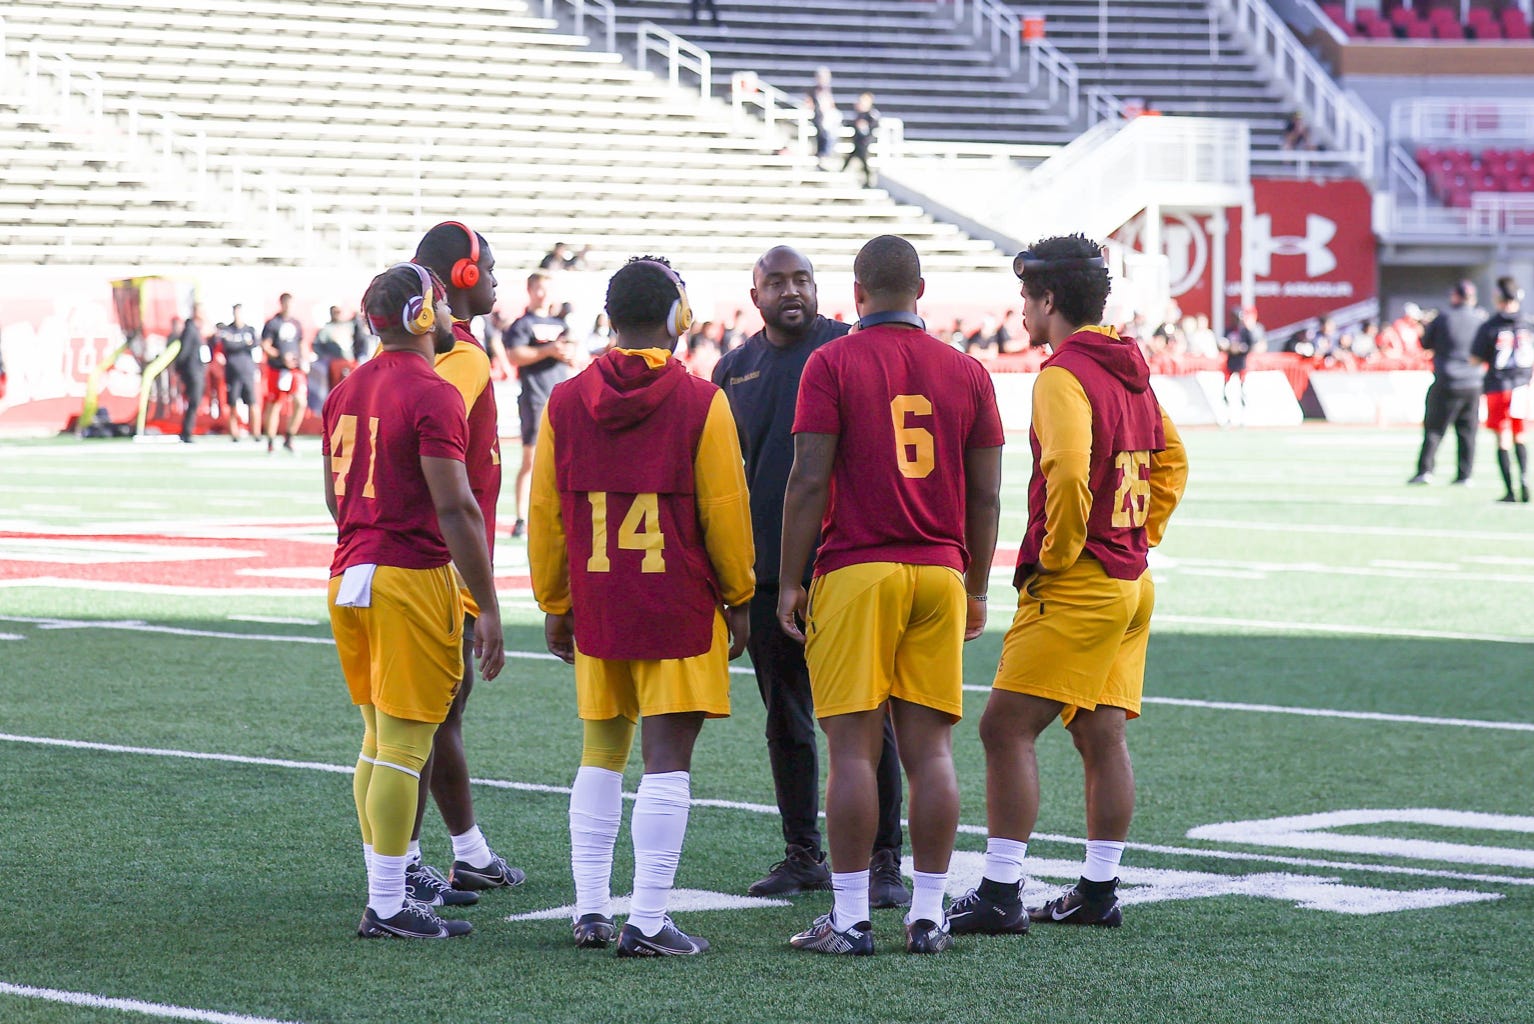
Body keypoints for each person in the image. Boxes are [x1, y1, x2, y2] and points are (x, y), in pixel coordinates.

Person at [948, 234, 1187, 939]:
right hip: (1131, 581)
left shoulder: (1062, 374)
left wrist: (1059, 551)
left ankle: (997, 890)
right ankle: (1098, 888)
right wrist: (1143, 534)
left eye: (1026, 296)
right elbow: (1172, 458)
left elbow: (1070, 471)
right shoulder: (1130, 364)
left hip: (1083, 581)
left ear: (1049, 299)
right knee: (1101, 734)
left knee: (1004, 728)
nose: (1021, 310)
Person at [778, 235, 1004, 956]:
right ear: (921, 290)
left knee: (850, 750)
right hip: (939, 572)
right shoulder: (967, 370)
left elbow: (809, 477)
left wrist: (789, 577)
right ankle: (929, 914)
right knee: (931, 753)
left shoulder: (832, 361)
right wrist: (974, 584)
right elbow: (989, 493)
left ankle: (848, 919)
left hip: (857, 568)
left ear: (856, 291)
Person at [529, 256, 755, 957]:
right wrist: (741, 594)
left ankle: (591, 909)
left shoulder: (564, 401)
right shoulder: (700, 400)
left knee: (600, 753)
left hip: (600, 597)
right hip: (675, 602)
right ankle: (649, 920)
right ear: (676, 319)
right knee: (666, 762)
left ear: (609, 317)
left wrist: (554, 599)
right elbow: (725, 508)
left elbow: (545, 513)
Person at [713, 245, 911, 909]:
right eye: (777, 282)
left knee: (866, 719)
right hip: (769, 571)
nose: (791, 291)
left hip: (844, 565)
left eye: (802, 279)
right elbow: (723, 480)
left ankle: (886, 858)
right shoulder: (733, 370)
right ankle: (803, 853)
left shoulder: (850, 348)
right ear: (755, 292)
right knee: (785, 721)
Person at [324, 262, 505, 940]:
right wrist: (486, 604)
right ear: (422, 317)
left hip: (350, 572)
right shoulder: (432, 391)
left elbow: (334, 499)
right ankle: (389, 903)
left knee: (377, 741)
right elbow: (455, 506)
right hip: (410, 575)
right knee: (402, 743)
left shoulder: (345, 389)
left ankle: (389, 890)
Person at [399, 221, 525, 906]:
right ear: (464, 275)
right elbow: (422, 439)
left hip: (423, 556)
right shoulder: (462, 356)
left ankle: (467, 850)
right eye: (492, 267)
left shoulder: (450, 352)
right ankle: (407, 859)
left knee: (441, 710)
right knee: (423, 714)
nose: (498, 280)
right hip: (434, 560)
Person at [503, 270, 577, 537]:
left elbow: (573, 355)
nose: (543, 294)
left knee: (565, 459)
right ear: (530, 290)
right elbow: (515, 355)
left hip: (560, 395)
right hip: (535, 396)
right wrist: (548, 350)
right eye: (538, 289)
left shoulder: (562, 324)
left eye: (547, 289)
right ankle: (522, 517)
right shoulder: (522, 324)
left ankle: (559, 512)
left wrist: (567, 354)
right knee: (531, 459)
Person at [1410, 280, 1488, 485]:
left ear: (1456, 296)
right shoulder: (1480, 319)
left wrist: (1424, 326)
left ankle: (1425, 471)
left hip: (1447, 380)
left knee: (1434, 429)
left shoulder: (1444, 317)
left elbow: (1425, 343)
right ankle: (1465, 475)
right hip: (1473, 382)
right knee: (1468, 432)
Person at [1470, 275, 1534, 502]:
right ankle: (1525, 480)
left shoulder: (1490, 326)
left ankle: (1510, 490)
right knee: (1520, 436)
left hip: (1499, 386)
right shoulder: (1528, 324)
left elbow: (1475, 359)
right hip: (1523, 387)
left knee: (1503, 438)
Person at [260, 293, 306, 453]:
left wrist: (303, 359)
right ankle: (271, 440)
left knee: (300, 402)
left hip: (295, 369)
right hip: (278, 369)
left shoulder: (296, 324)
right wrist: (280, 356)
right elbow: (265, 345)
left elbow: (301, 344)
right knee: (275, 404)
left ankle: (290, 435)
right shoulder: (273, 323)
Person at [217, 305, 261, 441]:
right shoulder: (227, 330)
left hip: (247, 371)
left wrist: (238, 343)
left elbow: (255, 344)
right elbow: (228, 345)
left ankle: (256, 433)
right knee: (232, 403)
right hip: (232, 372)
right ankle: (234, 433)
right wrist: (243, 343)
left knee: (252, 402)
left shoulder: (250, 329)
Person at [173, 304, 212, 444]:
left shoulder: (197, 329)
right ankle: (186, 431)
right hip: (192, 370)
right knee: (193, 400)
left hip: (197, 369)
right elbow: (184, 351)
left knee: (194, 401)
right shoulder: (190, 329)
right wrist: (180, 367)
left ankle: (187, 430)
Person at [1220, 305, 1264, 422]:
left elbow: (1252, 346)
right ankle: (1228, 416)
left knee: (1243, 390)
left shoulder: (1245, 331)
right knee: (1227, 390)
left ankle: (1243, 416)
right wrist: (1228, 347)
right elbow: (1222, 343)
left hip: (1242, 363)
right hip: (1230, 363)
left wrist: (1240, 348)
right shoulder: (1229, 330)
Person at [840, 92, 879, 188]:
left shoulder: (871, 114)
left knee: (862, 161)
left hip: (864, 142)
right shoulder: (859, 113)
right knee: (854, 158)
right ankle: (842, 172)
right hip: (858, 141)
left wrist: (865, 128)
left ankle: (868, 181)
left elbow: (872, 128)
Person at [811, 67, 839, 171]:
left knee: (831, 136)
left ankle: (826, 156)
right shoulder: (814, 91)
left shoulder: (828, 90)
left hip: (827, 119)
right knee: (824, 136)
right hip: (819, 120)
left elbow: (831, 105)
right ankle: (822, 156)